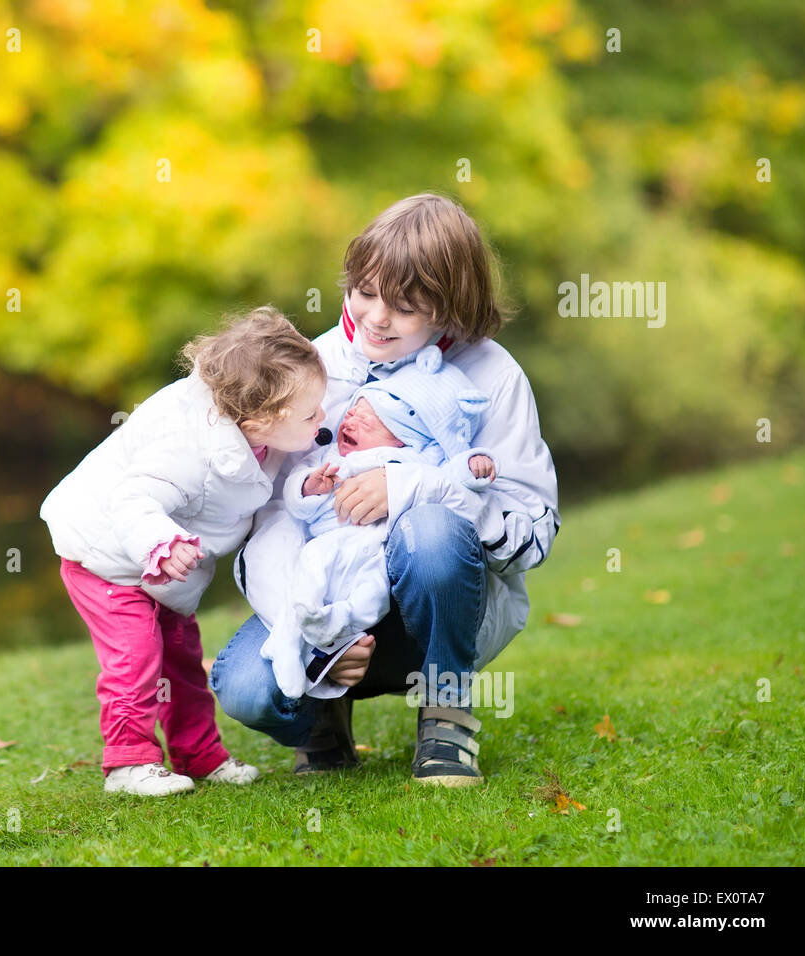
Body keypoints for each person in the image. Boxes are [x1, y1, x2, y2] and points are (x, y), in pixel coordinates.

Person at [209, 193, 560, 787]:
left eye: (404, 307)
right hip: (325, 599)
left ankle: (446, 715)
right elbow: (265, 523)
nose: (375, 318)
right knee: (244, 690)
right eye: (364, 292)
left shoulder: (493, 376)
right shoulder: (309, 364)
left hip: (445, 601)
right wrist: (318, 634)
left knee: (430, 530)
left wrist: (418, 487)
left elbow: (535, 533)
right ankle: (321, 711)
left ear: (451, 307)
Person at [39, 307, 328, 795]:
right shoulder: (188, 446)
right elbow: (133, 498)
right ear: (261, 418)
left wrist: (307, 485)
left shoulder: (257, 430)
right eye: (311, 415)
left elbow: (262, 490)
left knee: (182, 660)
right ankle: (128, 763)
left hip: (164, 570)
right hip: (106, 552)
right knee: (136, 654)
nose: (322, 421)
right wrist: (161, 542)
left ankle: (199, 755)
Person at [264, 350, 499, 700]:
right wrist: (309, 487)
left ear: (405, 437)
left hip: (374, 556)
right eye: (352, 413)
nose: (350, 423)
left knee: (372, 598)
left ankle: (339, 629)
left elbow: (454, 476)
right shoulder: (329, 460)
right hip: (328, 546)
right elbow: (296, 502)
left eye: (368, 422)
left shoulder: (416, 459)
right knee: (307, 576)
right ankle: (289, 640)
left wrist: (474, 464)